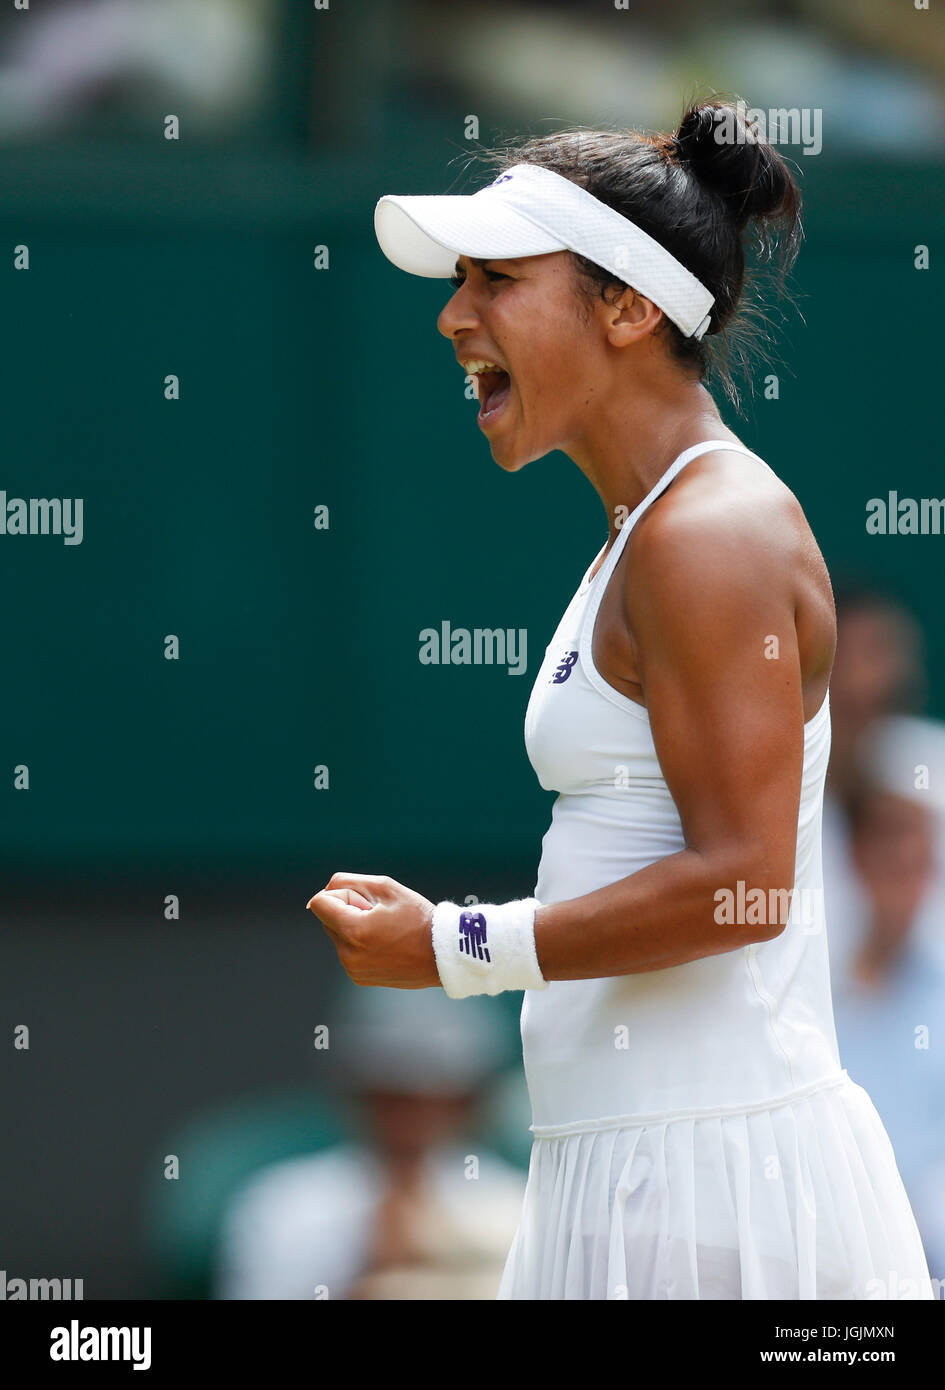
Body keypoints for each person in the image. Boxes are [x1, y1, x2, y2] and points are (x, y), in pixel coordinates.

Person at [306, 97, 933, 1299]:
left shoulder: (711, 534)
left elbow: (744, 884)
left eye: (495, 279)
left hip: (712, 1200)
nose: (452, 314)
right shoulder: (651, 533)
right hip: (641, 1177)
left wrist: (453, 944)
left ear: (630, 308)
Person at [214, 987, 526, 1300]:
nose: (408, 1111)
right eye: (389, 1091)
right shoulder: (279, 1205)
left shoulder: (518, 1207)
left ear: (468, 1097)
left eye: (428, 1090)